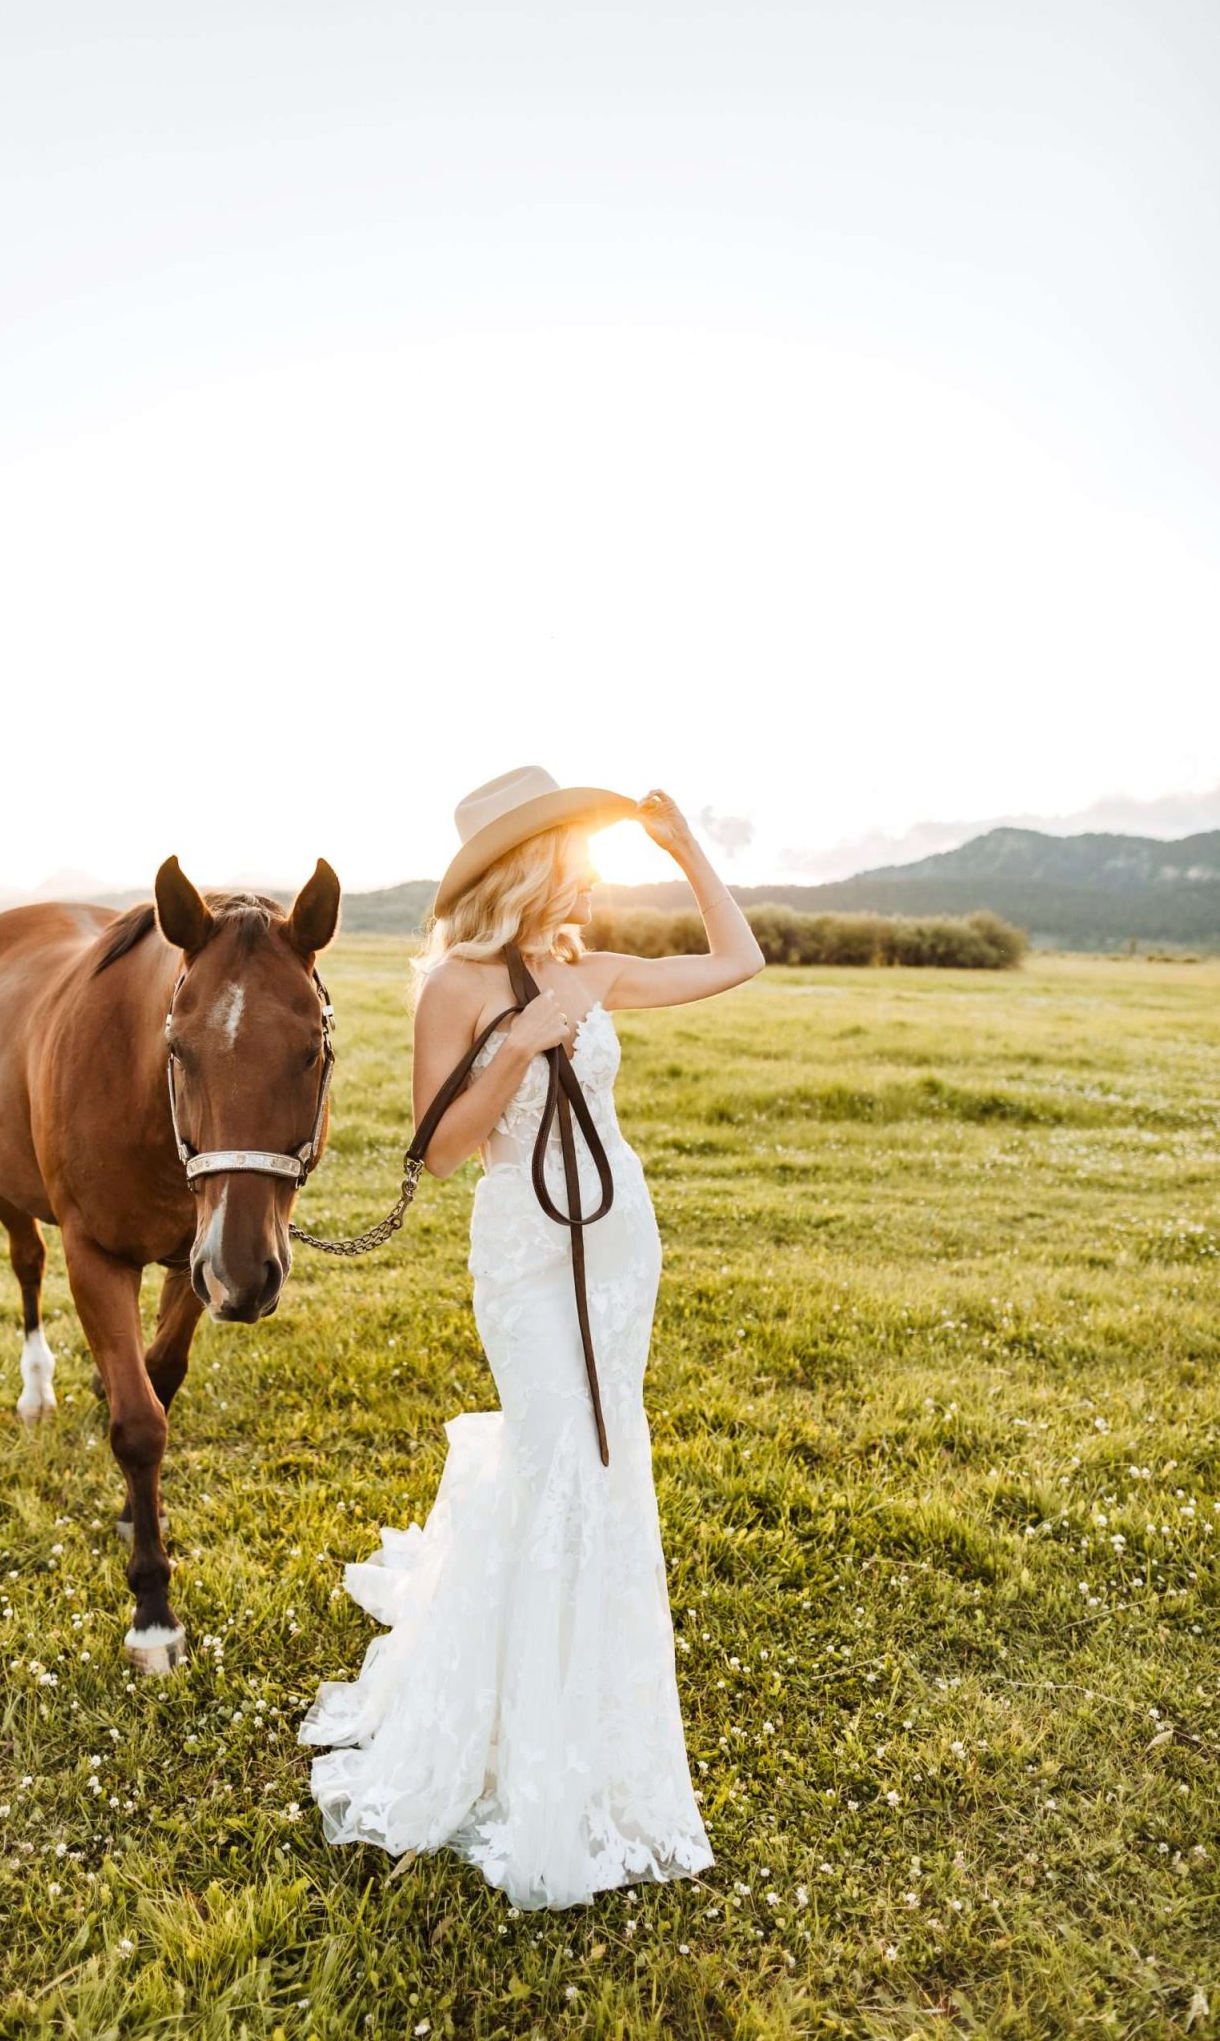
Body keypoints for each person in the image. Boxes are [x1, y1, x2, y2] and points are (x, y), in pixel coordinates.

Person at [296, 764, 766, 1909]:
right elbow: (439, 1150)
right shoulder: (451, 984)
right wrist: (515, 1045)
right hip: (523, 1253)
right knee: (554, 1456)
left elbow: (737, 960)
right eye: (569, 853)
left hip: (619, 1245)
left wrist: (686, 848)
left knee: (604, 1464)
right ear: (527, 865)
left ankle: (595, 1716)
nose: (583, 873)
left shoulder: (589, 965)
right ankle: (521, 1730)